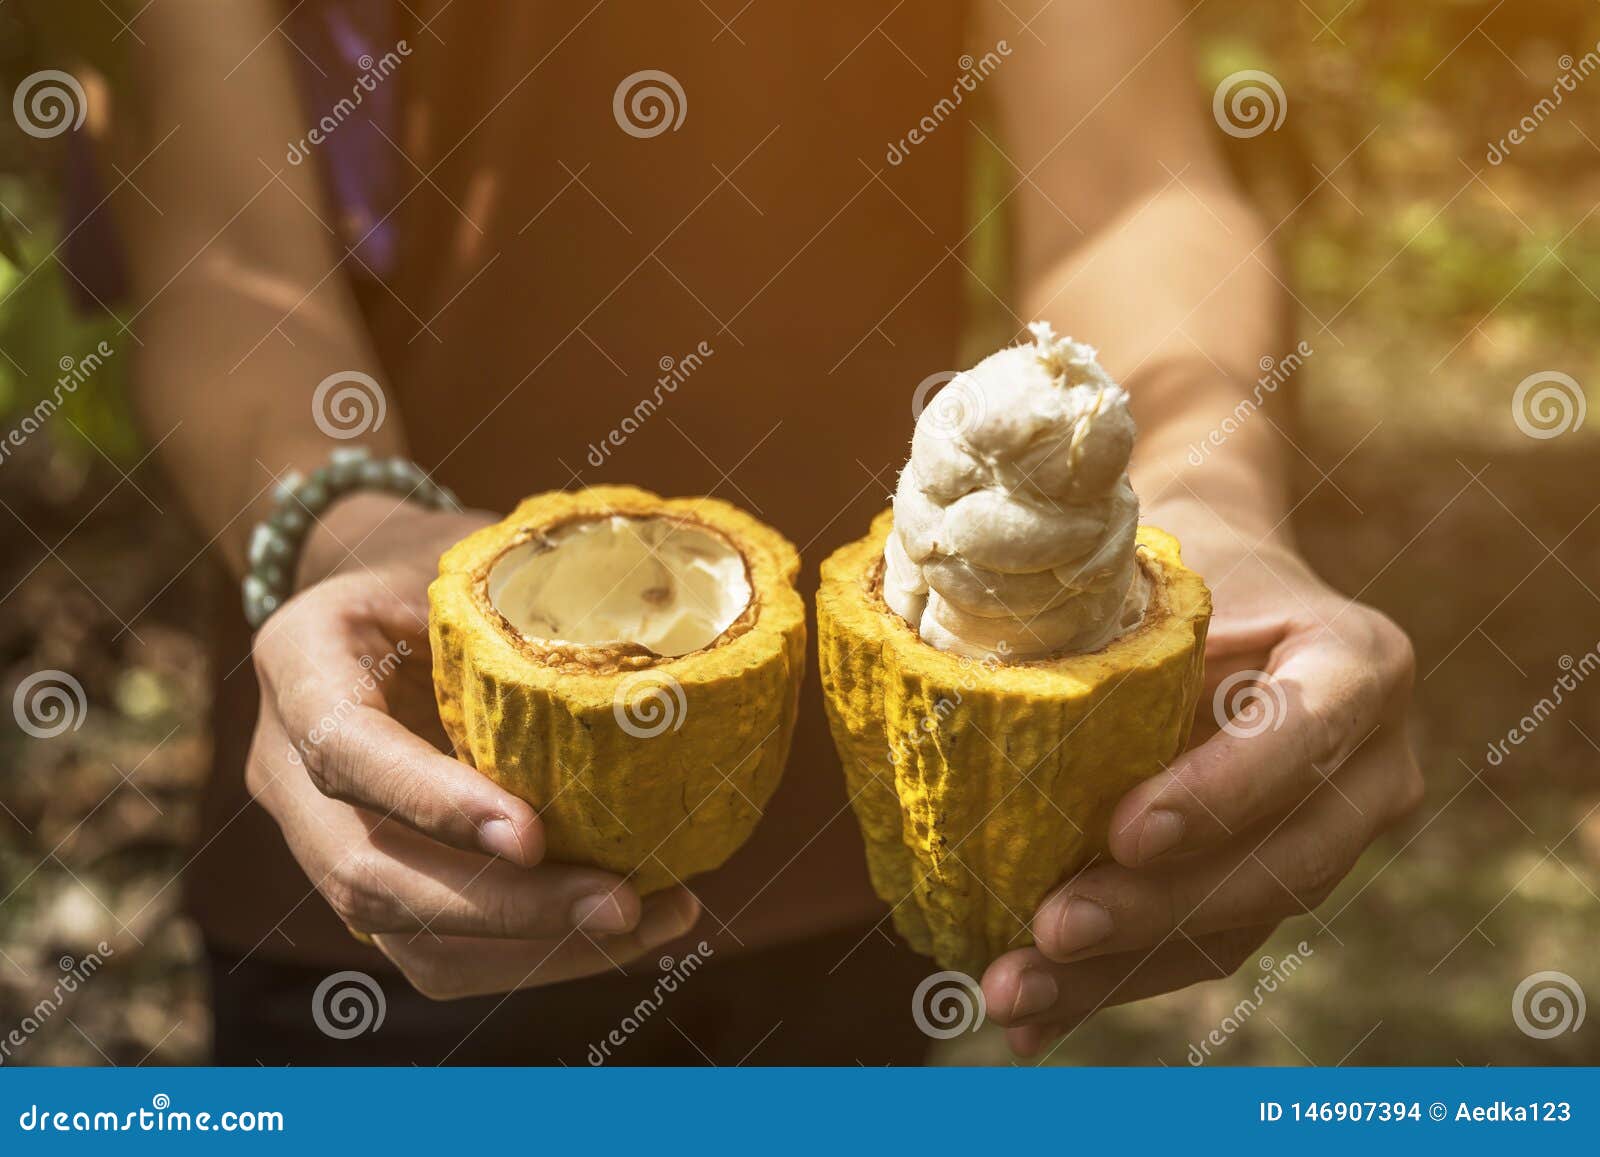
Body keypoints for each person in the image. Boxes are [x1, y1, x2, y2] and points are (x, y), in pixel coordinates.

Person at [106, 0, 1421, 1063]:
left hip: (881, 812)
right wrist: (342, 530)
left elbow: (1128, 179)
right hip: (399, 836)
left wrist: (1204, 494)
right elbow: (225, 257)